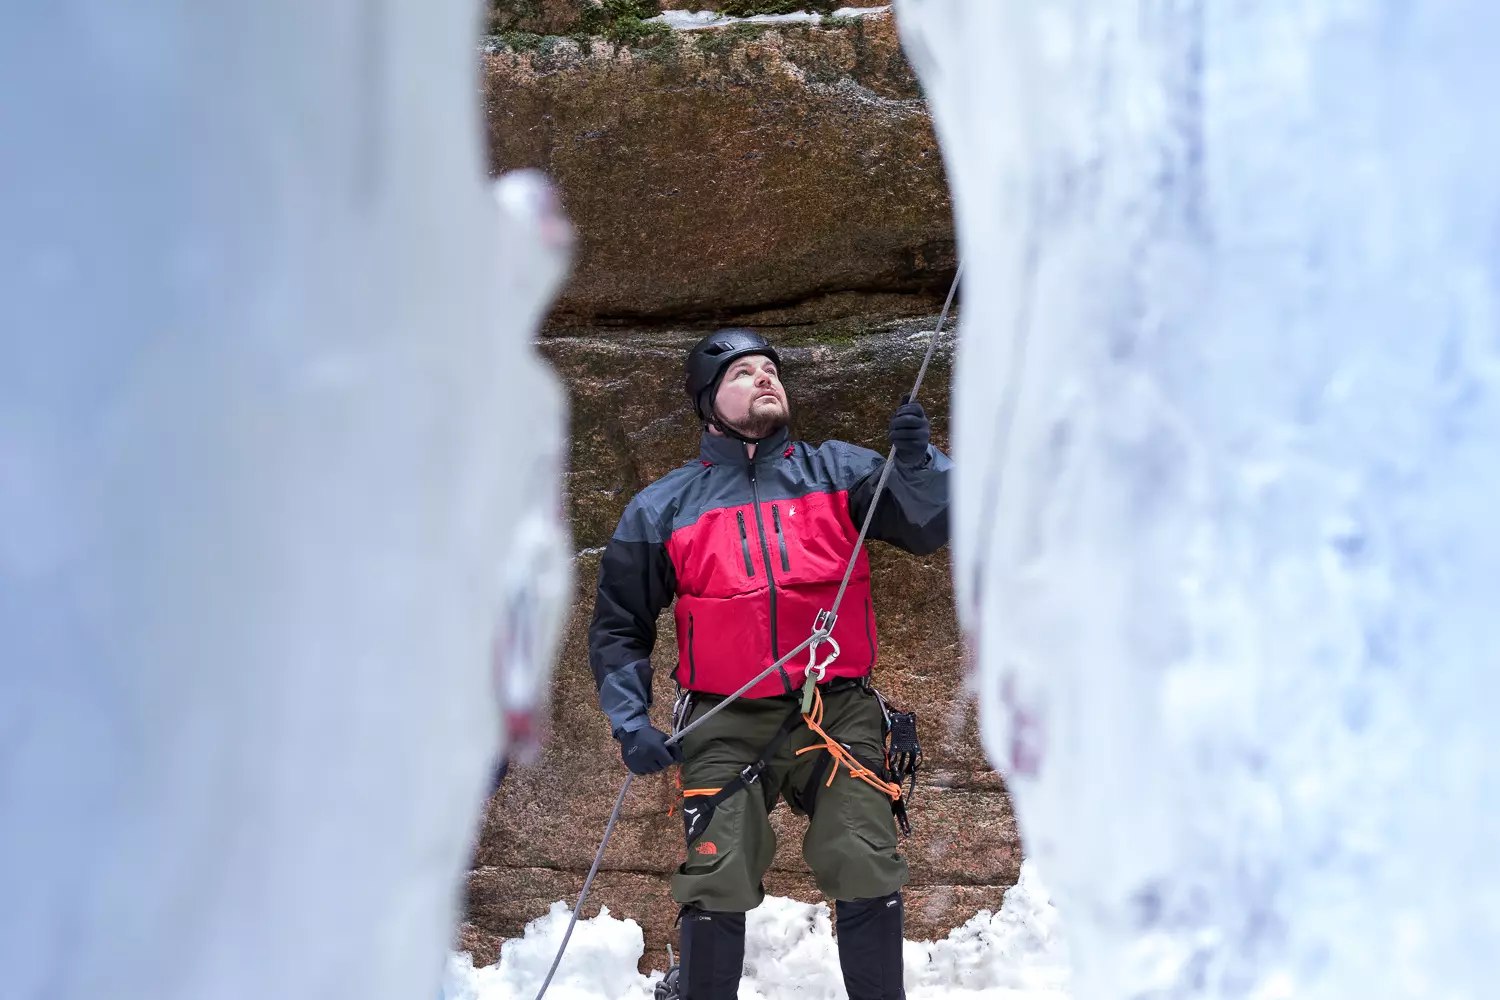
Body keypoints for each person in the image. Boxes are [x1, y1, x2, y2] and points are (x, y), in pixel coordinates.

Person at [588, 329, 951, 1000]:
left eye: (769, 370)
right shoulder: (663, 507)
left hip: (834, 709)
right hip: (723, 722)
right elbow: (619, 624)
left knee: (864, 856)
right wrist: (628, 719)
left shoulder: (840, 472)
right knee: (717, 873)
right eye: (741, 373)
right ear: (707, 401)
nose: (763, 379)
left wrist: (918, 461)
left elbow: (930, 525)